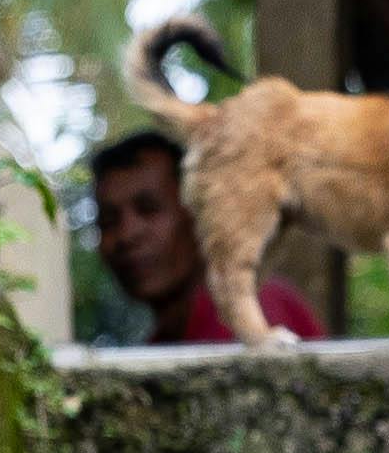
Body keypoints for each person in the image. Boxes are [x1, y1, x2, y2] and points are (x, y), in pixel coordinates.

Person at [89, 122, 324, 344]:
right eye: (108, 221)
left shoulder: (251, 314)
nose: (127, 235)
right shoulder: (163, 345)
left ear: (199, 215)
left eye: (149, 209)